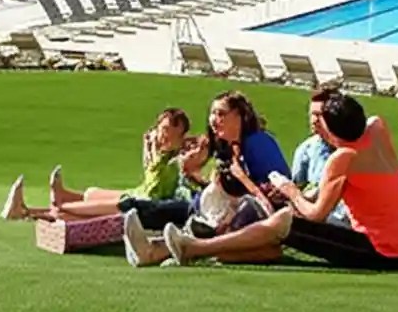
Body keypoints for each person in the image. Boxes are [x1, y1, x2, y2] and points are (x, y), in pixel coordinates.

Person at [147, 92, 398, 271]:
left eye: (321, 122)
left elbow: (316, 214)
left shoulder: (343, 158)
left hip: (382, 252)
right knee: (275, 232)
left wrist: (290, 190)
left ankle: (193, 248)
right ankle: (202, 250)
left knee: (284, 222)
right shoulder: (377, 128)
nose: (317, 127)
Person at [122, 90, 291, 267]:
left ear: (240, 115)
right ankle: (153, 249)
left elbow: (277, 190)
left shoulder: (258, 142)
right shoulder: (229, 147)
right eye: (212, 114)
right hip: (231, 210)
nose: (213, 120)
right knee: (200, 204)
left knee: (188, 210)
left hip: (264, 212)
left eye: (221, 114)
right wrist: (196, 178)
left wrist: (240, 179)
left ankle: (155, 249)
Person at [0, 108, 198, 221]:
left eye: (170, 131)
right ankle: (59, 195)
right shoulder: (165, 153)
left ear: (180, 137)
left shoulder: (174, 157)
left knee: (69, 210)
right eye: (162, 129)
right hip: (140, 195)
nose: (163, 135)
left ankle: (27, 211)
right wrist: (150, 152)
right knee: (93, 193)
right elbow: (151, 179)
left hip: (145, 204)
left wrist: (152, 152)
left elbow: (155, 185)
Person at [290, 88, 350, 226]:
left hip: (343, 221)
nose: (314, 120)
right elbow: (298, 186)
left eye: (319, 115)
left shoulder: (350, 149)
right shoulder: (306, 149)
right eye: (312, 114)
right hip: (320, 218)